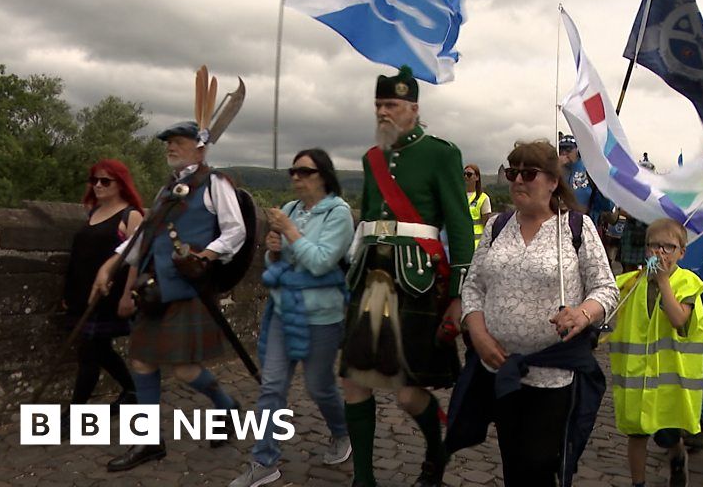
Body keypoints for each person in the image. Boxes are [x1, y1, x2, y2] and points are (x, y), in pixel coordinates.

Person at [448, 140, 619, 487]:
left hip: (554, 376)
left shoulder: (576, 228)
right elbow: (474, 288)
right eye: (512, 173)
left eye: (529, 173)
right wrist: (478, 336)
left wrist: (582, 314)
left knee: (539, 461)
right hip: (500, 370)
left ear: (553, 181)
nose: (518, 181)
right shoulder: (497, 227)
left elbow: (606, 288)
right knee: (513, 458)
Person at [340, 66, 474, 487]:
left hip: (415, 281)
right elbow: (366, 222)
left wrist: (457, 292)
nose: (383, 112)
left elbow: (458, 225)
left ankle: (436, 455)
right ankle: (364, 479)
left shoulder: (440, 153)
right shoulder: (371, 159)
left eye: (392, 105)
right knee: (353, 381)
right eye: (379, 104)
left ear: (413, 109)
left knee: (407, 392)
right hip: (369, 279)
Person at [92, 118, 246, 472]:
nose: (170, 147)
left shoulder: (214, 182)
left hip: (187, 287)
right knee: (142, 361)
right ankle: (149, 442)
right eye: (168, 142)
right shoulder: (168, 189)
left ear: (200, 147)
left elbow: (235, 230)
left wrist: (205, 255)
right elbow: (143, 236)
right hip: (155, 288)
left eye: (179, 141)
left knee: (184, 370)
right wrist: (111, 265)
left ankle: (226, 406)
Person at [230, 149, 355, 487]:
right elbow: (277, 266)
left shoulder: (339, 215)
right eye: (293, 171)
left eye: (304, 171)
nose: (296, 177)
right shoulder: (289, 209)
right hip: (284, 312)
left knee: (319, 386)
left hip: (321, 316)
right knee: (271, 387)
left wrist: (289, 233)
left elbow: (320, 263)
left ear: (323, 176)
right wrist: (273, 250)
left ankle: (342, 432)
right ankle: (265, 461)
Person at [609, 218, 703, 487]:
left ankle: (677, 457)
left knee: (667, 435)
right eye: (654, 246)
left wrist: (663, 282)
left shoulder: (688, 283)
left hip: (669, 382)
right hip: (637, 377)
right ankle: (638, 483)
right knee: (636, 434)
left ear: (681, 252)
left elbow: (678, 319)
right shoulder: (631, 284)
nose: (659, 253)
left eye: (668, 247)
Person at [61, 160, 144, 422]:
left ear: (121, 184)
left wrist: (127, 294)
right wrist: (67, 292)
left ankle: (74, 416)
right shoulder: (92, 213)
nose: (98, 185)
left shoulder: (130, 216)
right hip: (81, 292)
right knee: (100, 349)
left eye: (105, 181)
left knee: (89, 353)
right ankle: (132, 390)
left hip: (107, 295)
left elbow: (138, 258)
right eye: (94, 180)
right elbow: (79, 257)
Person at [559, 133, 614, 231]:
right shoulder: (556, 171)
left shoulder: (589, 169)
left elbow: (606, 205)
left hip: (585, 226)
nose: (564, 154)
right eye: (561, 150)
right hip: (560, 226)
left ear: (577, 150)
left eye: (568, 150)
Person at [464, 163, 491, 247]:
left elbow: (486, 224)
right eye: (464, 174)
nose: (465, 177)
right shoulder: (458, 197)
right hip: (462, 243)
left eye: (469, 174)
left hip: (477, 245)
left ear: (477, 177)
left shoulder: (483, 198)